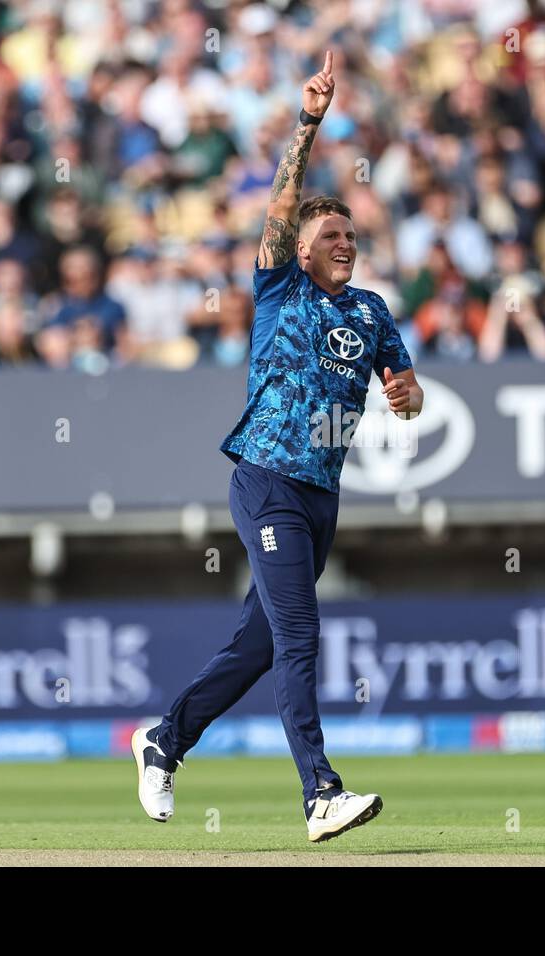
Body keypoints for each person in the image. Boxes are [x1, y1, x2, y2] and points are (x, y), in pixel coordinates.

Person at [130, 53, 423, 843]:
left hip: (321, 494)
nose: (346, 245)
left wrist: (408, 393)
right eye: (331, 235)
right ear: (298, 248)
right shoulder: (279, 286)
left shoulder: (369, 310)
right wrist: (310, 122)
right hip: (267, 481)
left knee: (258, 646)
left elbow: (406, 380)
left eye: (352, 236)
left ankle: (165, 739)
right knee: (300, 635)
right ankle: (319, 792)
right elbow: (283, 201)